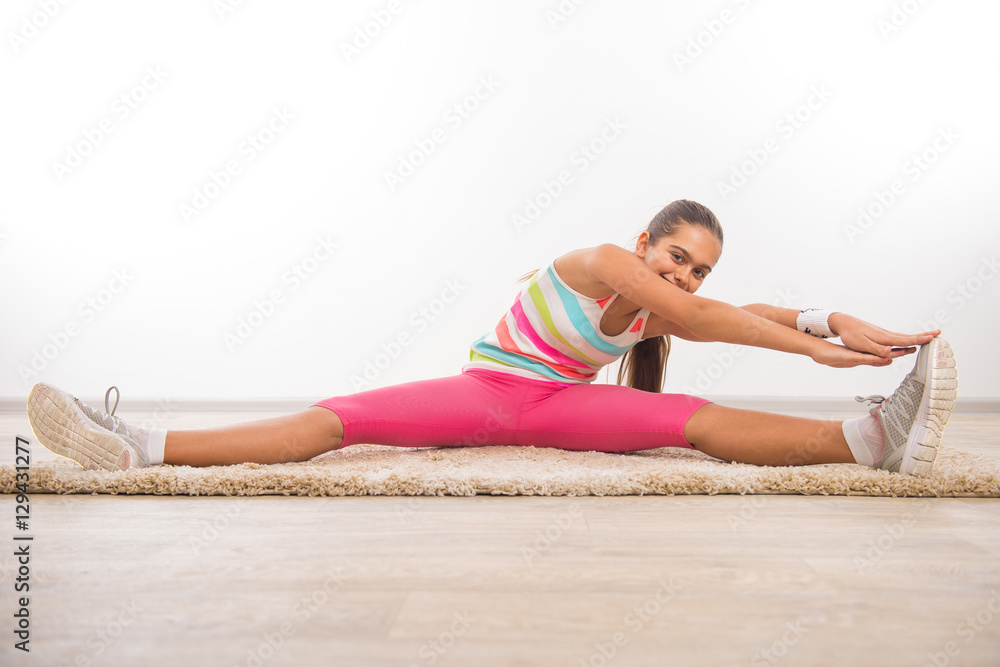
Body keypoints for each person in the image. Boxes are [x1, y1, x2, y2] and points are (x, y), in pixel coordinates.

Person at [26, 200, 958, 477]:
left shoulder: (658, 301)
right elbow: (713, 319)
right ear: (643, 243)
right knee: (337, 420)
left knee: (687, 418)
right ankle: (138, 446)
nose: (684, 278)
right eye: (676, 256)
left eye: (698, 269)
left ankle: (868, 439)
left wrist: (826, 321)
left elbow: (743, 315)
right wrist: (818, 345)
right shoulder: (601, 261)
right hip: (487, 395)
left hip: (556, 409)